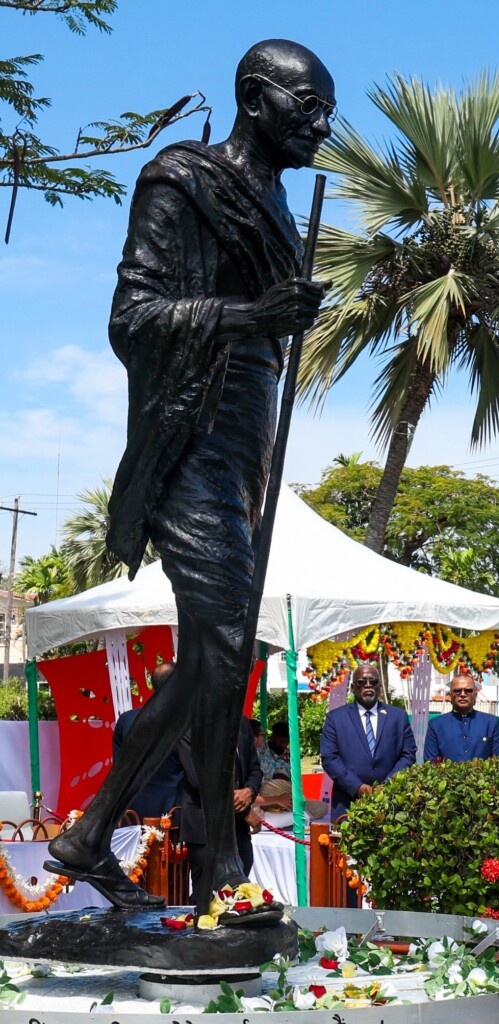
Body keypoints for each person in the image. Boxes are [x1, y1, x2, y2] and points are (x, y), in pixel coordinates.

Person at [45, 39, 334, 920]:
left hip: (246, 449)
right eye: (306, 107)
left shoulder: (281, 205)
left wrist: (286, 319)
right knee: (218, 650)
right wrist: (251, 313)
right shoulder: (182, 179)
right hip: (186, 442)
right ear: (254, 98)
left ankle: (97, 833)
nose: (322, 127)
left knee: (224, 655)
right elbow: (132, 318)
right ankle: (213, 866)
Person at [175, 716, 263, 902]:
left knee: (239, 892)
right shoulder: (189, 724)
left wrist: (250, 791)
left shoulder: (241, 722)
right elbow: (200, 780)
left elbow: (255, 768)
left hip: (237, 828)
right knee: (207, 896)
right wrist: (244, 809)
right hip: (204, 826)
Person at [320, 664, 417, 821]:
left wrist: (387, 785)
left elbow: (408, 754)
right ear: (353, 687)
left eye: (373, 682)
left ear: (379, 686)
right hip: (348, 803)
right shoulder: (335, 718)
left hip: (390, 803)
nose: (368, 686)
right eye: (362, 682)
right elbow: (329, 758)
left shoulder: (398, 717)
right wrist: (357, 787)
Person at [111, 662, 183, 820]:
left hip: (132, 812)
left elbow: (118, 770)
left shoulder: (126, 720)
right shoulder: (183, 722)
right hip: (172, 813)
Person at [423, 672, 499, 762]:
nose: (463, 694)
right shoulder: (436, 725)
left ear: (475, 696)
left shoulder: (491, 723)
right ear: (450, 696)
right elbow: (430, 765)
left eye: (468, 691)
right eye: (457, 691)